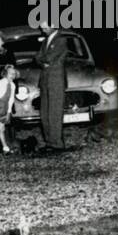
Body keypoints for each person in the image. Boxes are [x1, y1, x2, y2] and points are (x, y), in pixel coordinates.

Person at [35, 20, 69, 153]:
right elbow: (37, 57)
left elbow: (48, 58)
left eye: (45, 27)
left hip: (56, 80)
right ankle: (49, 141)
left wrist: (43, 60)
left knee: (54, 112)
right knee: (45, 112)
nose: (42, 30)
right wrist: (43, 61)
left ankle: (57, 143)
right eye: (42, 27)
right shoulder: (46, 40)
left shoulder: (61, 40)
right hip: (45, 79)